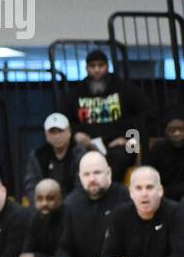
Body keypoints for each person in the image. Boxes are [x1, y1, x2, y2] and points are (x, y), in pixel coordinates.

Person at [62, 49, 148, 180]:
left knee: (123, 155)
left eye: (100, 65)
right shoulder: (76, 93)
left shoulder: (125, 89)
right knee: (76, 159)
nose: (97, 70)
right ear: (86, 68)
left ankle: (109, 194)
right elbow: (65, 121)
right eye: (92, 66)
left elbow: (145, 115)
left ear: (107, 66)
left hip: (121, 144)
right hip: (88, 145)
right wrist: (76, 134)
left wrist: (129, 138)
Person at [23, 112, 85, 202]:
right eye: (52, 132)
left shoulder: (80, 154)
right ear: (46, 135)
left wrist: (66, 206)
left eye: (60, 131)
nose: (57, 136)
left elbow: (81, 186)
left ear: (69, 132)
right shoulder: (38, 156)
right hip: (45, 206)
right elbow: (31, 186)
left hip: (74, 206)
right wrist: (40, 204)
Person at [144, 109, 184, 201]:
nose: (177, 133)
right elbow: (147, 172)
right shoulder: (158, 148)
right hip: (161, 196)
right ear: (165, 132)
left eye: (181, 129)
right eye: (172, 130)